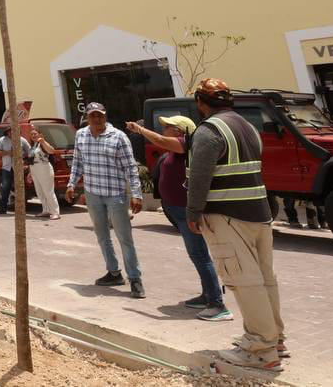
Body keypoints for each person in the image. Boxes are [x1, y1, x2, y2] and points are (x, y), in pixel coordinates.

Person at [186, 78, 285, 372]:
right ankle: (275, 338)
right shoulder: (247, 127)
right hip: (258, 213)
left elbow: (200, 176)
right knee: (265, 279)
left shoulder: (210, 130)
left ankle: (260, 349)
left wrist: (193, 212)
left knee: (243, 281)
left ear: (201, 102)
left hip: (227, 216)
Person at [127, 115, 231, 321]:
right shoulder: (175, 150)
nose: (163, 129)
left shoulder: (186, 144)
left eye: (168, 126)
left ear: (179, 131)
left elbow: (160, 140)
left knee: (200, 255)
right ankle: (207, 295)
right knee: (198, 254)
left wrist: (140, 131)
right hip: (177, 210)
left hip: (186, 211)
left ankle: (217, 304)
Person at [66, 102, 145, 299]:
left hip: (115, 194)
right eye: (93, 116)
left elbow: (130, 168)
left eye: (99, 115)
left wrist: (136, 194)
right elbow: (78, 162)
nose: (96, 119)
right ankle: (114, 272)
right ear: (87, 117)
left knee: (124, 237)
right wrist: (71, 184)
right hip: (93, 194)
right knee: (102, 236)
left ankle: (135, 278)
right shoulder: (81, 135)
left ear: (105, 116)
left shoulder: (118, 137)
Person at [26, 126, 61, 220]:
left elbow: (51, 150)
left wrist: (43, 141)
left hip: (44, 168)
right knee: (40, 191)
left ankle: (55, 212)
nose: (33, 135)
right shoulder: (33, 146)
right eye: (32, 134)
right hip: (34, 168)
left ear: (40, 134)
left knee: (48, 191)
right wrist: (30, 173)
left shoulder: (42, 143)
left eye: (35, 134)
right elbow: (31, 160)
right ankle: (46, 210)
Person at [0, 130, 31, 215]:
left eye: (13, 131)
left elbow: (30, 152)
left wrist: (23, 157)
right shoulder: (2, 140)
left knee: (21, 188)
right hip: (7, 167)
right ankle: (2, 208)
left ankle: (22, 209)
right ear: (7, 133)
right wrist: (8, 153)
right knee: (5, 188)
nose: (11, 133)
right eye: (9, 132)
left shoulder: (22, 140)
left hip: (19, 168)